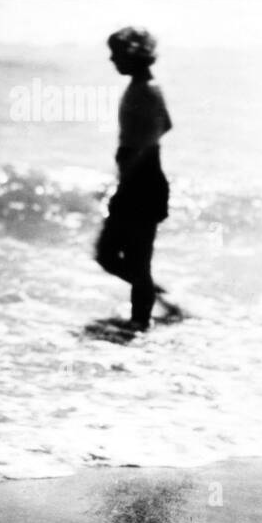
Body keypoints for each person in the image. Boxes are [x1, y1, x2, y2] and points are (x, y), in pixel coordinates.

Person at [94, 27, 180, 330]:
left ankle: (140, 325)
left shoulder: (143, 90)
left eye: (116, 53)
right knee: (112, 256)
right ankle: (159, 305)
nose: (112, 59)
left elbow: (142, 148)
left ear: (132, 54)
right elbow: (166, 125)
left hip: (139, 183)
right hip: (146, 179)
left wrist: (121, 183)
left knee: (120, 257)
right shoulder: (147, 87)